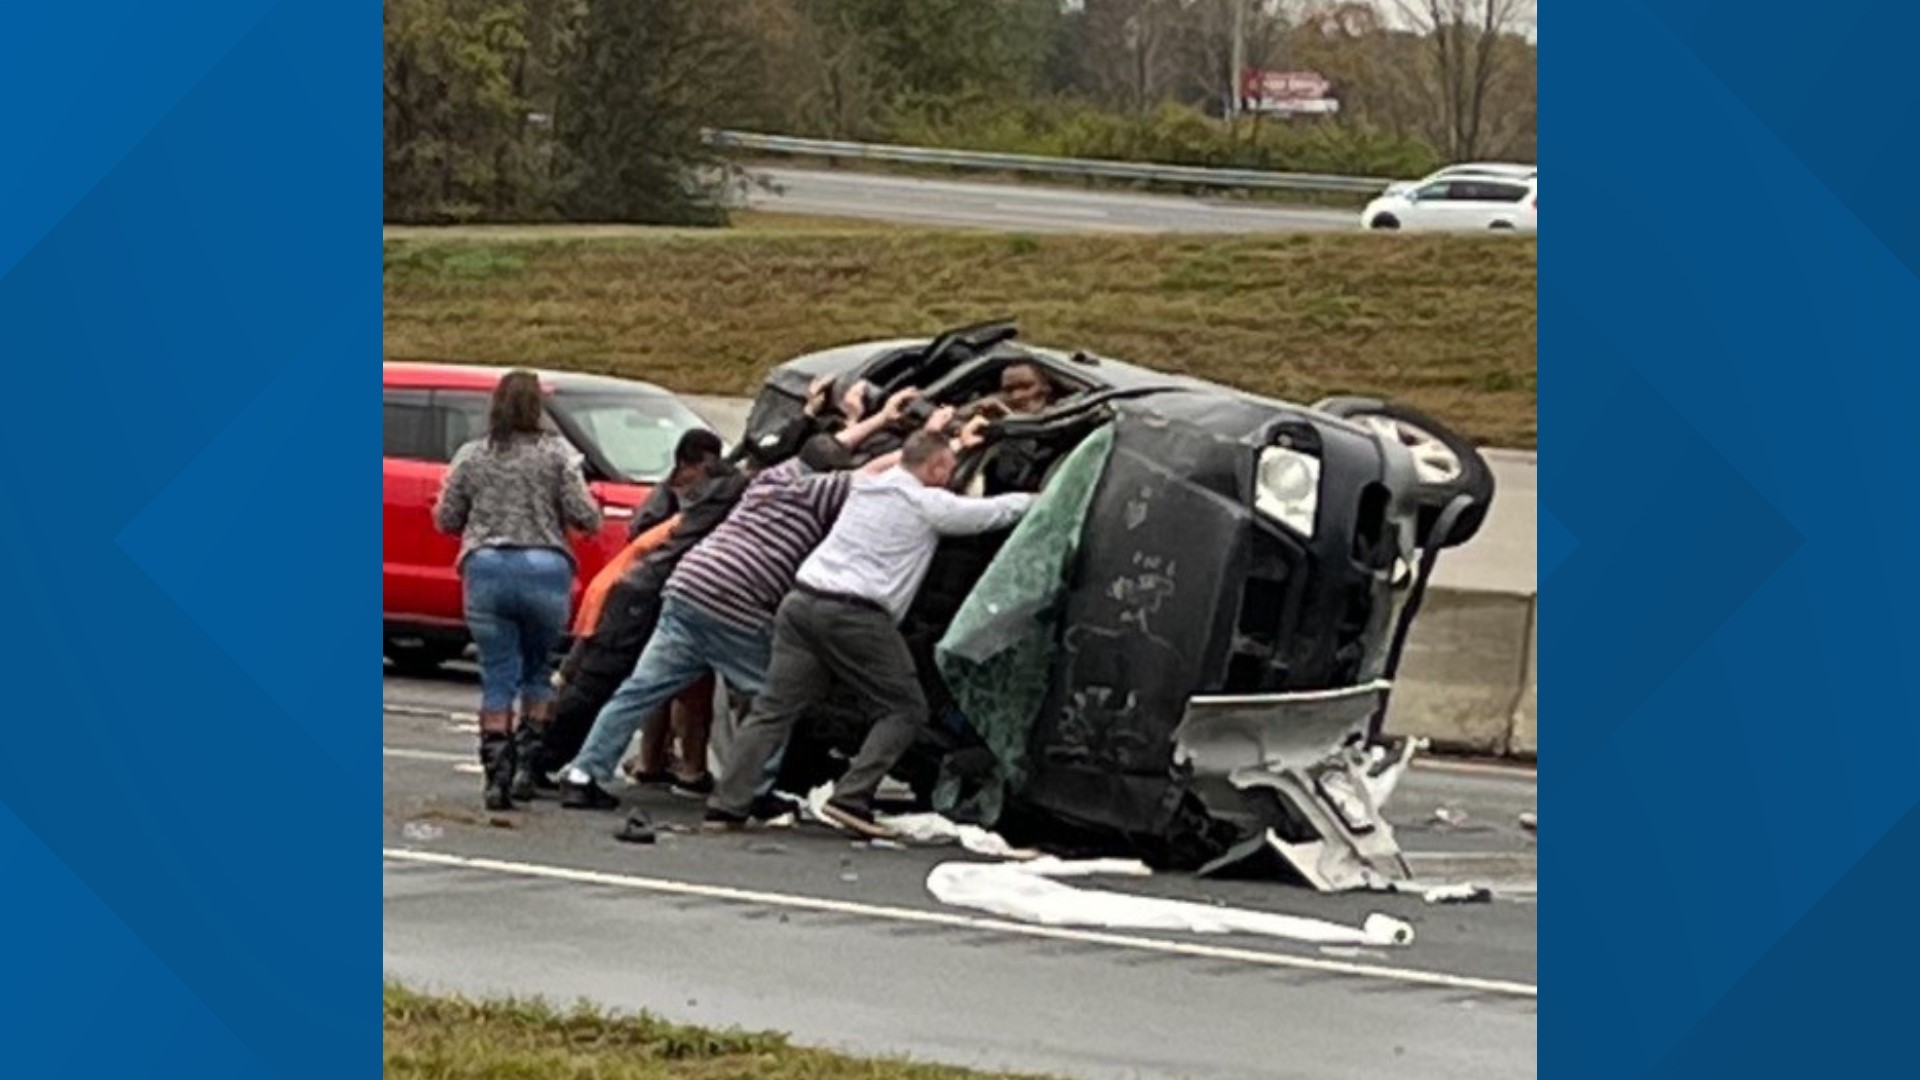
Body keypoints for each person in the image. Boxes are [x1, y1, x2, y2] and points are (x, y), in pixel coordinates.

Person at [556, 387, 932, 811]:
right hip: (735, 603)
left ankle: (584, 773)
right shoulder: (821, 491)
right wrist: (940, 438)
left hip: (687, 587)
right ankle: (753, 791)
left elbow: (830, 448)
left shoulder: (773, 477)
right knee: (775, 700)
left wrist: (880, 418)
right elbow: (885, 473)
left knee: (639, 691)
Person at [705, 428, 1034, 838]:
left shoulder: (867, 488)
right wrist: (1043, 499)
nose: (951, 478)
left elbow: (880, 467)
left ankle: (725, 807)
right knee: (905, 709)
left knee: (773, 710)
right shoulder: (927, 504)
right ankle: (851, 797)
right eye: (948, 469)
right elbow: (993, 513)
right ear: (932, 468)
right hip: (855, 615)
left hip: (801, 602)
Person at [433, 370, 602, 810]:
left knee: (497, 676)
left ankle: (496, 774)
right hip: (546, 569)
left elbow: (447, 518)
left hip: (487, 569)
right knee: (538, 671)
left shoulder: (472, 456)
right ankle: (529, 765)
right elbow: (586, 516)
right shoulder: (558, 455)